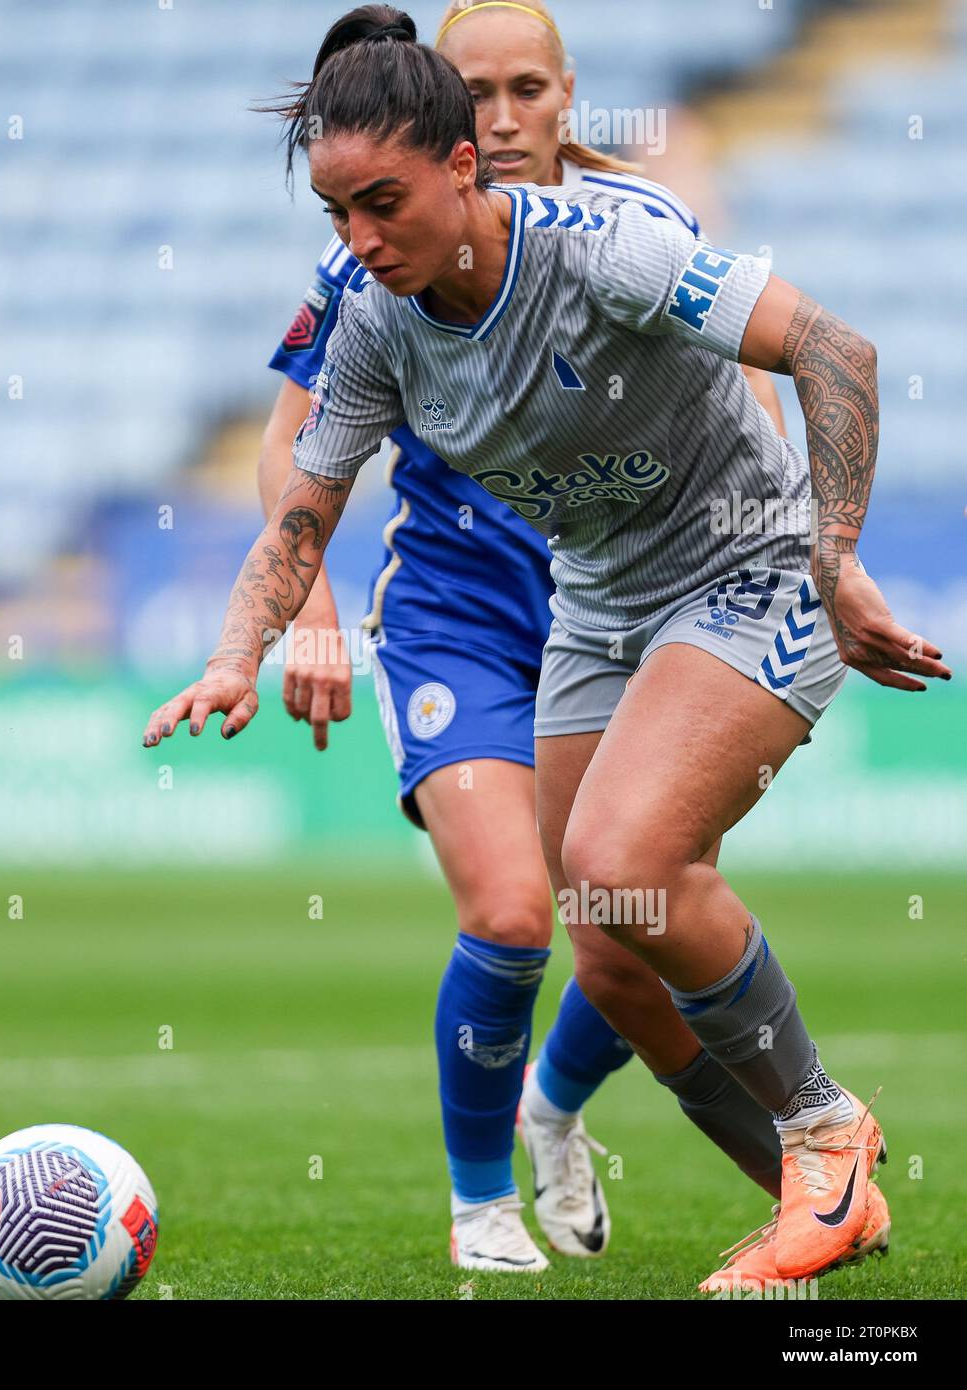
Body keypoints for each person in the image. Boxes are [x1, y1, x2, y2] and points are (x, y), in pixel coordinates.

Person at [144, 6, 949, 1288]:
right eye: (335, 214)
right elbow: (304, 509)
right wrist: (244, 647)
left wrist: (834, 551)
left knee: (628, 855)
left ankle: (827, 1137)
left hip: (743, 567)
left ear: (465, 162)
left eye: (381, 204)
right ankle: (821, 1202)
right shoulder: (369, 315)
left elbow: (832, 349)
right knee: (613, 949)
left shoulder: (616, 242)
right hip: (595, 598)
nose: (357, 241)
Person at [257, 0, 796, 1276]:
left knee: (621, 922)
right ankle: (480, 1196)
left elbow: (747, 372)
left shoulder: (630, 226)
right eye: (472, 93)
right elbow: (295, 443)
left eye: (523, 92)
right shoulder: (371, 261)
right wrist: (310, 609)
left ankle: (564, 1107)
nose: (499, 121)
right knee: (514, 913)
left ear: (566, 96)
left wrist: (812, 545)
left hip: (632, 601)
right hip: (454, 614)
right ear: (436, 113)